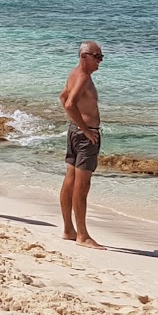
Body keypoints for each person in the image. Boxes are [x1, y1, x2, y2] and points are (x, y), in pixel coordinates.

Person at [58, 40, 106, 249]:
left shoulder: (75, 73)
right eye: (97, 57)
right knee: (82, 185)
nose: (100, 61)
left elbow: (62, 97)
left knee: (70, 180)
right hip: (85, 136)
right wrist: (86, 129)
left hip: (74, 131)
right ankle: (82, 235)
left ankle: (69, 229)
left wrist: (77, 125)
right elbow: (69, 103)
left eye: (101, 57)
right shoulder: (83, 77)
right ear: (84, 57)